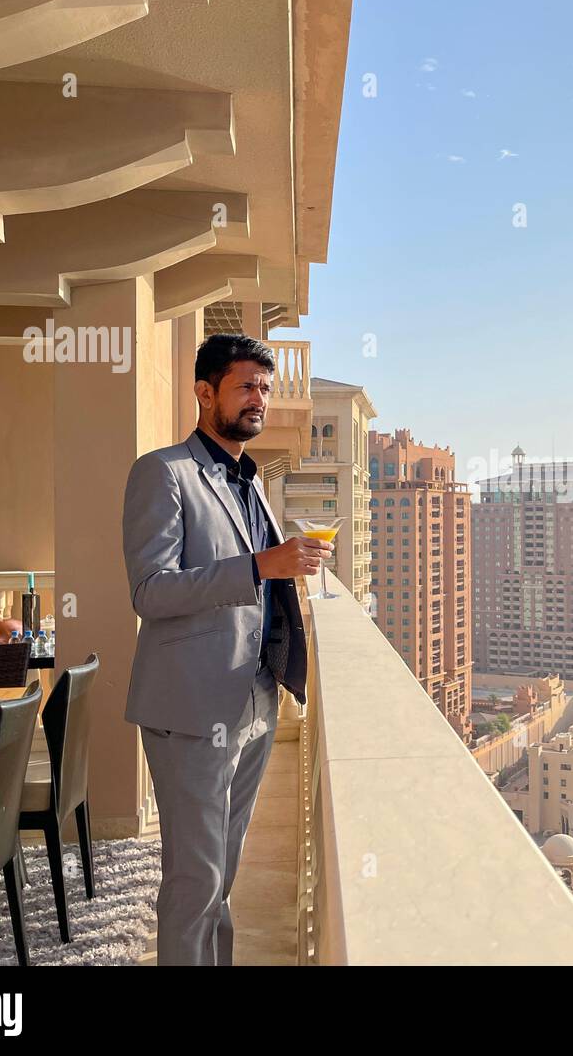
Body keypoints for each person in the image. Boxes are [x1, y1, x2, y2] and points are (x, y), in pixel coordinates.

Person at [122, 332, 331, 965]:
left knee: (223, 877)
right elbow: (151, 591)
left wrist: (288, 563)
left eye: (265, 389)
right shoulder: (163, 472)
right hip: (190, 709)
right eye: (246, 386)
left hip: (255, 703)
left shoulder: (249, 479)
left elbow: (253, 575)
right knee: (195, 879)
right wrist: (263, 564)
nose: (259, 400)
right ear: (204, 391)